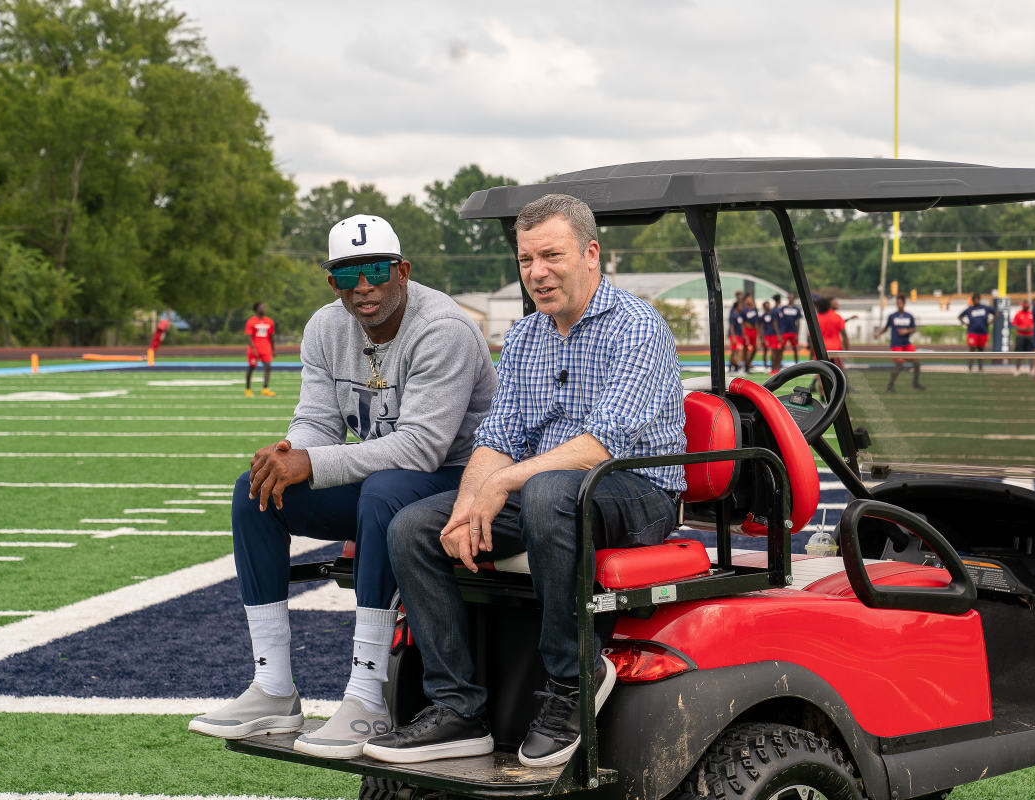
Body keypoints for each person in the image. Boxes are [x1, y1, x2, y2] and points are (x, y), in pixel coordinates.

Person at [365, 194, 685, 768]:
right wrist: (469, 504)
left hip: (638, 491)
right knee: (413, 526)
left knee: (546, 491)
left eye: (551, 256)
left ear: (590, 254)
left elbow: (599, 447)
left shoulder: (638, 328)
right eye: (525, 260)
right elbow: (497, 435)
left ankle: (572, 678)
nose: (537, 273)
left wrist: (503, 483)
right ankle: (456, 706)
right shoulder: (526, 337)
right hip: (551, 493)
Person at [188, 214, 497, 760]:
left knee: (383, 491)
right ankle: (273, 688)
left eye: (377, 270)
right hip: (385, 474)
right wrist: (289, 455)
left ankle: (367, 698)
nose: (363, 287)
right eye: (346, 275)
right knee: (255, 491)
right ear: (331, 280)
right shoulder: (325, 327)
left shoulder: (442, 327)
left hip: (457, 479)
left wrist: (315, 463)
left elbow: (423, 447)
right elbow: (317, 423)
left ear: (402, 271)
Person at [878, 294, 925, 392]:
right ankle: (890, 386)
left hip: (906, 343)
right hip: (896, 344)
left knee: (917, 362)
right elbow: (886, 328)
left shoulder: (909, 316)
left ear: (904, 303)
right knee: (899, 365)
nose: (899, 304)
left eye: (900, 303)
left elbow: (913, 329)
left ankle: (915, 383)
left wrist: (906, 331)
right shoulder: (892, 316)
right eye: (897, 303)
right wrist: (878, 333)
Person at [244, 302, 276, 398]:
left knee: (267, 367)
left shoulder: (269, 321)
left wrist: (273, 349)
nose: (264, 309)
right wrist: (253, 348)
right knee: (251, 368)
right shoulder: (251, 321)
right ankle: (248, 389)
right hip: (255, 348)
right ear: (257, 309)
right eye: (262, 307)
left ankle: (265, 389)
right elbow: (248, 336)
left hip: (266, 348)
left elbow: (271, 336)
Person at [958, 293, 995, 372]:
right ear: (972, 300)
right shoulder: (970, 309)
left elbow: (996, 314)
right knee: (972, 350)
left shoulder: (985, 308)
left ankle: (980, 368)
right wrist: (965, 323)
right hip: (972, 332)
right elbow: (960, 316)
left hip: (983, 332)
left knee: (981, 350)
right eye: (974, 300)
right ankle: (969, 368)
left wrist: (991, 322)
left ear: (979, 299)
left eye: (977, 299)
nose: (976, 301)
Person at [775, 293, 801, 367]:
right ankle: (778, 365)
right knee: (781, 349)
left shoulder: (796, 309)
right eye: (789, 297)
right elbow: (778, 319)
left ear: (793, 298)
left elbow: (798, 322)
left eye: (791, 297)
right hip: (784, 332)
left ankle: (797, 366)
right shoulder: (783, 308)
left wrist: (797, 334)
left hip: (793, 332)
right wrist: (779, 333)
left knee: (795, 349)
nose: (790, 299)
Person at [1012, 298, 1034, 375]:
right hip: (1021, 336)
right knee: (1018, 353)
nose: (1026, 307)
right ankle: (1017, 369)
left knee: (1031, 353)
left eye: (1027, 306)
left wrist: (1030, 328)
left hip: (1029, 336)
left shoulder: (1031, 314)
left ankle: (1031, 370)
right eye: (1024, 306)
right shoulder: (1018, 314)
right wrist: (1022, 329)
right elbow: (1014, 325)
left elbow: (1034, 325)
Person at [741, 294, 759, 372]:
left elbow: (756, 321)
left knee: (755, 348)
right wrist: (744, 334)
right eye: (748, 299)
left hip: (754, 330)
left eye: (751, 299)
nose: (750, 300)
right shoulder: (743, 310)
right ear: (745, 301)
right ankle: (746, 365)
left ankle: (748, 363)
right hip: (746, 330)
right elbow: (742, 322)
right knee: (745, 348)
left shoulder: (754, 310)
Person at [759, 300, 779, 372]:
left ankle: (773, 366)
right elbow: (761, 327)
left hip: (773, 335)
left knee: (774, 351)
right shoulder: (763, 316)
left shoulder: (773, 315)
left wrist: (778, 335)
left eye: (768, 304)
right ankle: (765, 366)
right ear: (764, 307)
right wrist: (762, 338)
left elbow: (775, 325)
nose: (768, 306)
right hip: (766, 335)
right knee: (765, 351)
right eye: (766, 305)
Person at [727, 299, 745, 373]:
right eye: (740, 305)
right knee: (735, 351)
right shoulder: (733, 315)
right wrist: (733, 337)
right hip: (734, 335)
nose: (741, 307)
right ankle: (735, 366)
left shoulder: (738, 315)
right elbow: (732, 327)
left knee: (735, 351)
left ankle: (731, 366)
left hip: (738, 335)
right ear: (737, 306)